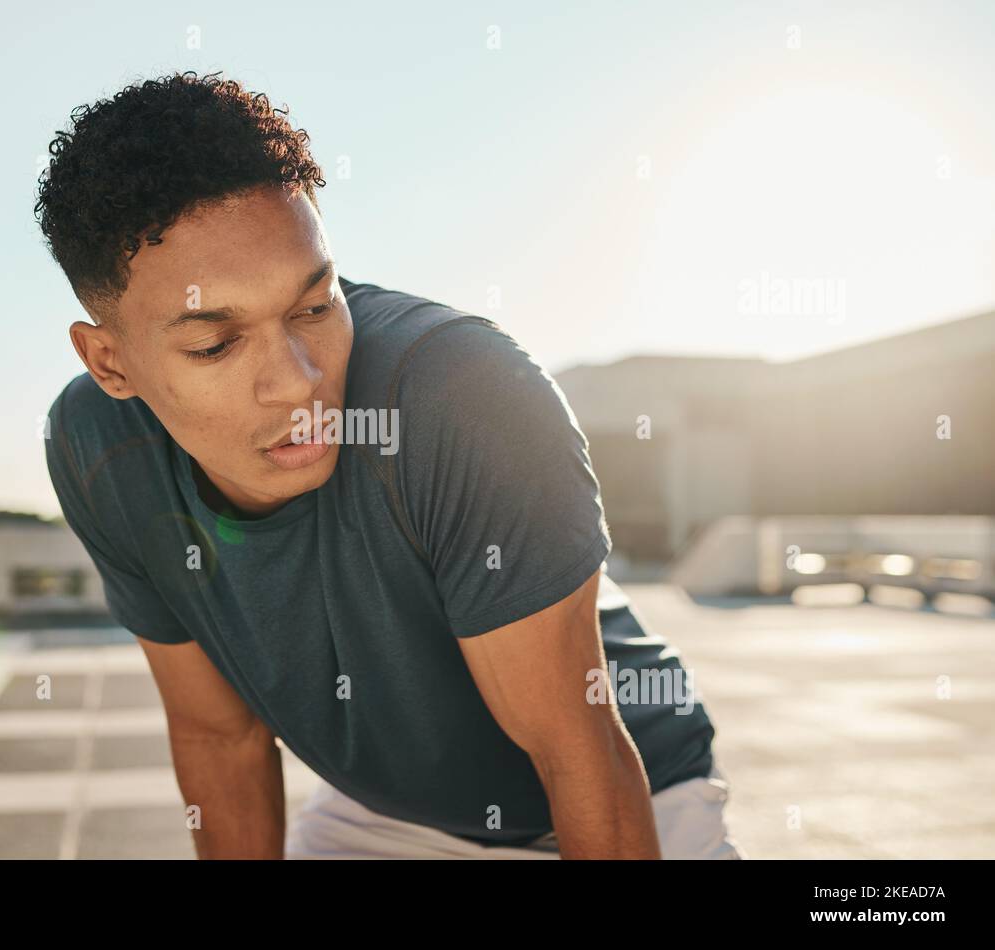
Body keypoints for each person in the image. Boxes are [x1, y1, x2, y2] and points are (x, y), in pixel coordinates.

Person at [36, 71, 745, 859]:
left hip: (628, 794)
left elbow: (575, 750)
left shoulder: (464, 396)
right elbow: (219, 738)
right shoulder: (97, 446)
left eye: (314, 305)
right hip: (388, 818)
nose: (299, 379)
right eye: (216, 343)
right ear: (108, 360)